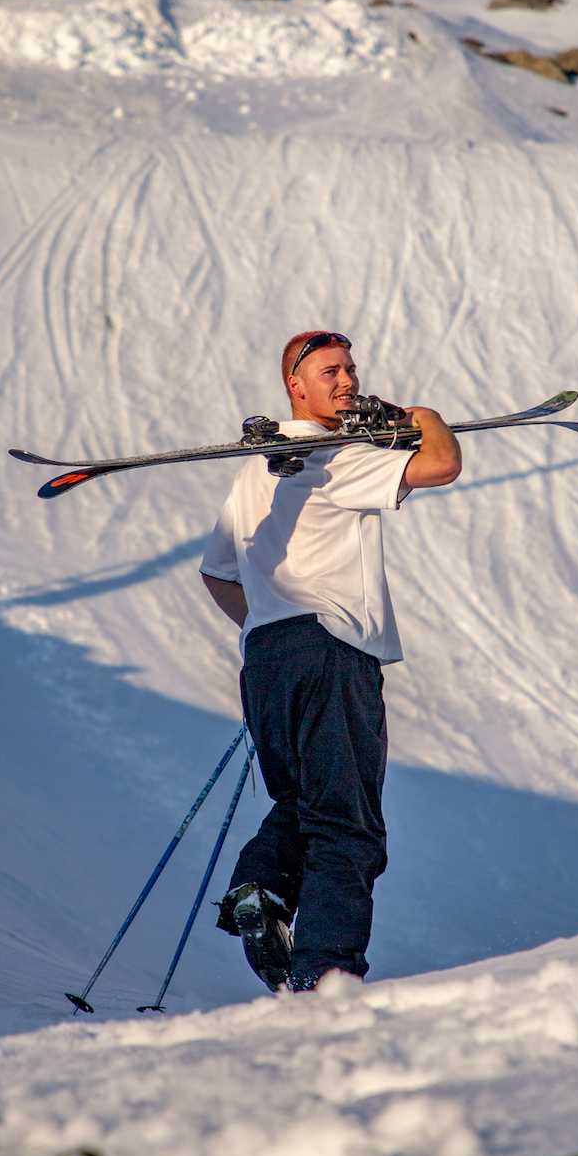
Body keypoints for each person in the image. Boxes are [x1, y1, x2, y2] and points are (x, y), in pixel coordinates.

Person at [199, 331, 462, 992]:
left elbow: (217, 574)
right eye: (330, 372)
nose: (346, 381)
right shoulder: (336, 457)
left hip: (265, 660)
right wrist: (423, 418)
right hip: (331, 650)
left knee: (303, 799)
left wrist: (269, 621)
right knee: (346, 824)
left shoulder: (255, 467)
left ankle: (259, 885)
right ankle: (327, 973)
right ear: (297, 386)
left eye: (349, 370)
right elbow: (440, 464)